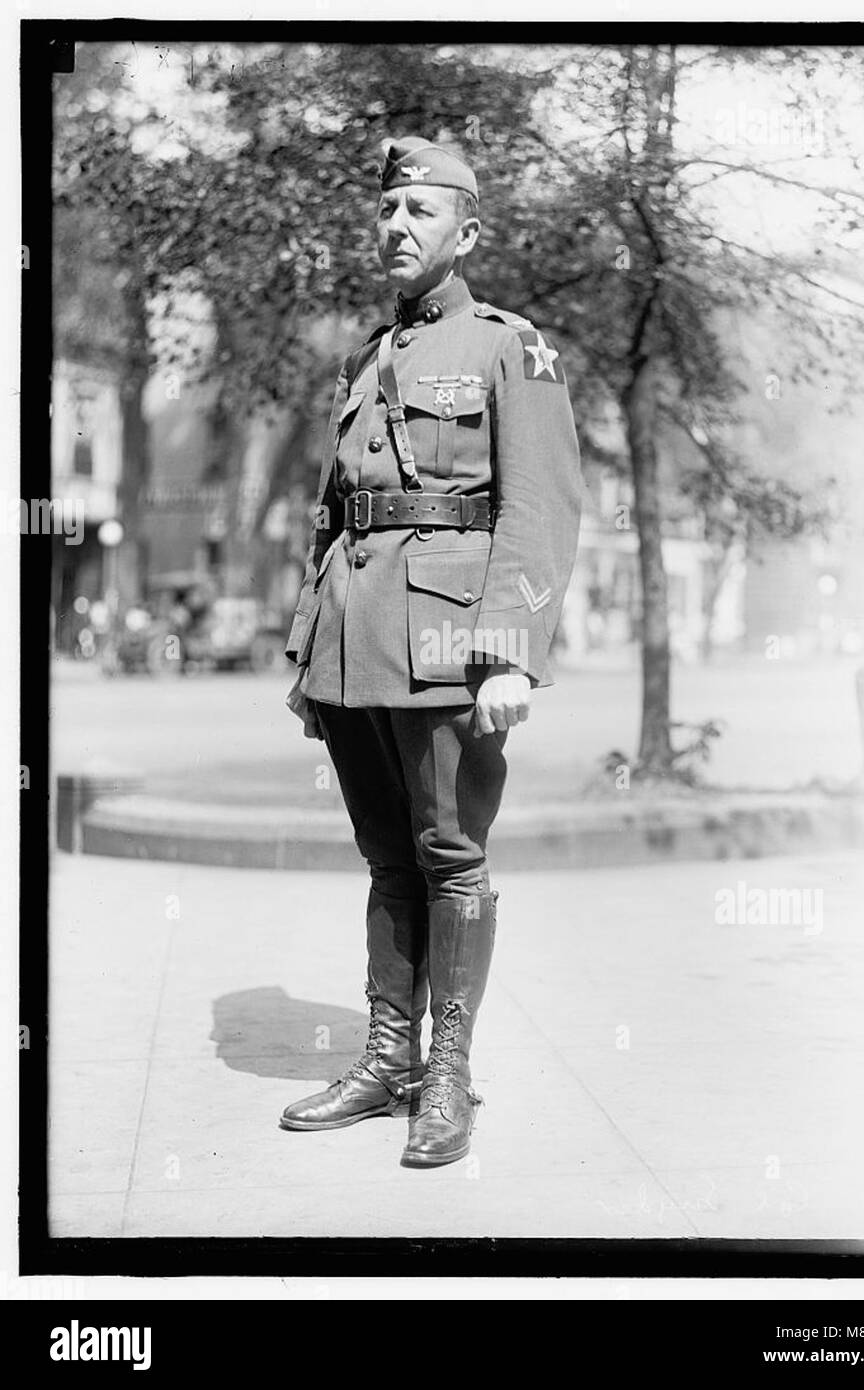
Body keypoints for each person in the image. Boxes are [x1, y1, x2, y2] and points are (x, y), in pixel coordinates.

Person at [280, 136, 583, 1168]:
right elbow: (337, 517)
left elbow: (539, 508)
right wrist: (306, 651)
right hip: (354, 646)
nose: (397, 225)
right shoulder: (364, 359)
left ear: (468, 231)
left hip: (452, 640)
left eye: (421, 210)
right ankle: (387, 1059)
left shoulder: (511, 347)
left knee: (451, 853)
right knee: (384, 855)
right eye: (388, 209)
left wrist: (507, 650)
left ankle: (446, 1074)